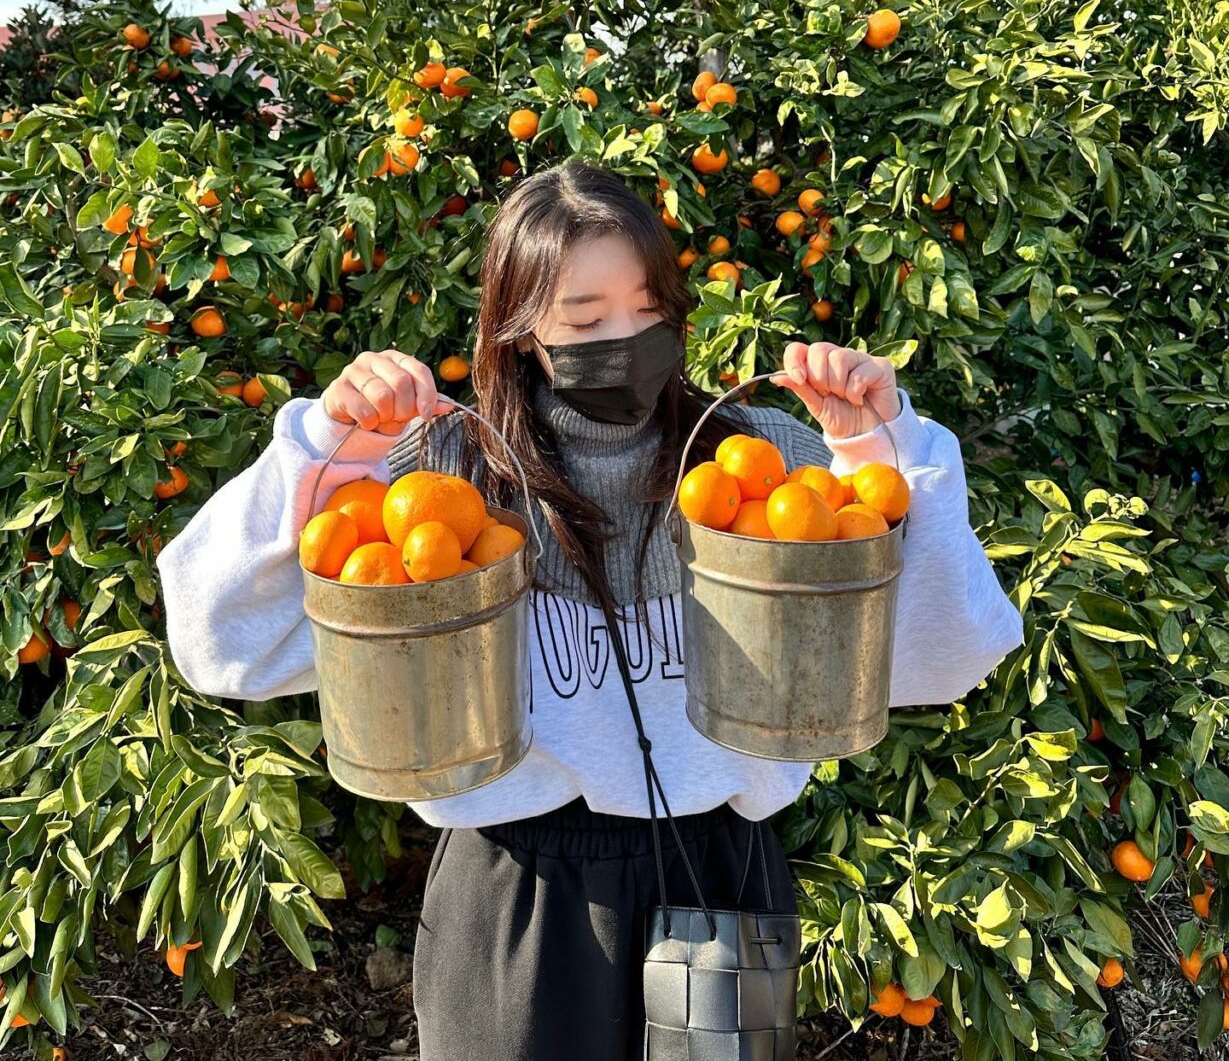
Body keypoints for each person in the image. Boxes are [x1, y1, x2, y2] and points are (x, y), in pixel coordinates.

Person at [157, 159, 1024, 1060]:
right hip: (518, 897)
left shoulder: (760, 463)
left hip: (720, 876)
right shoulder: (444, 479)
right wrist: (324, 455)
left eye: (649, 309)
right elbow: (225, 645)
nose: (626, 336)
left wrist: (881, 448)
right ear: (520, 328)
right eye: (585, 317)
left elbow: (942, 656)